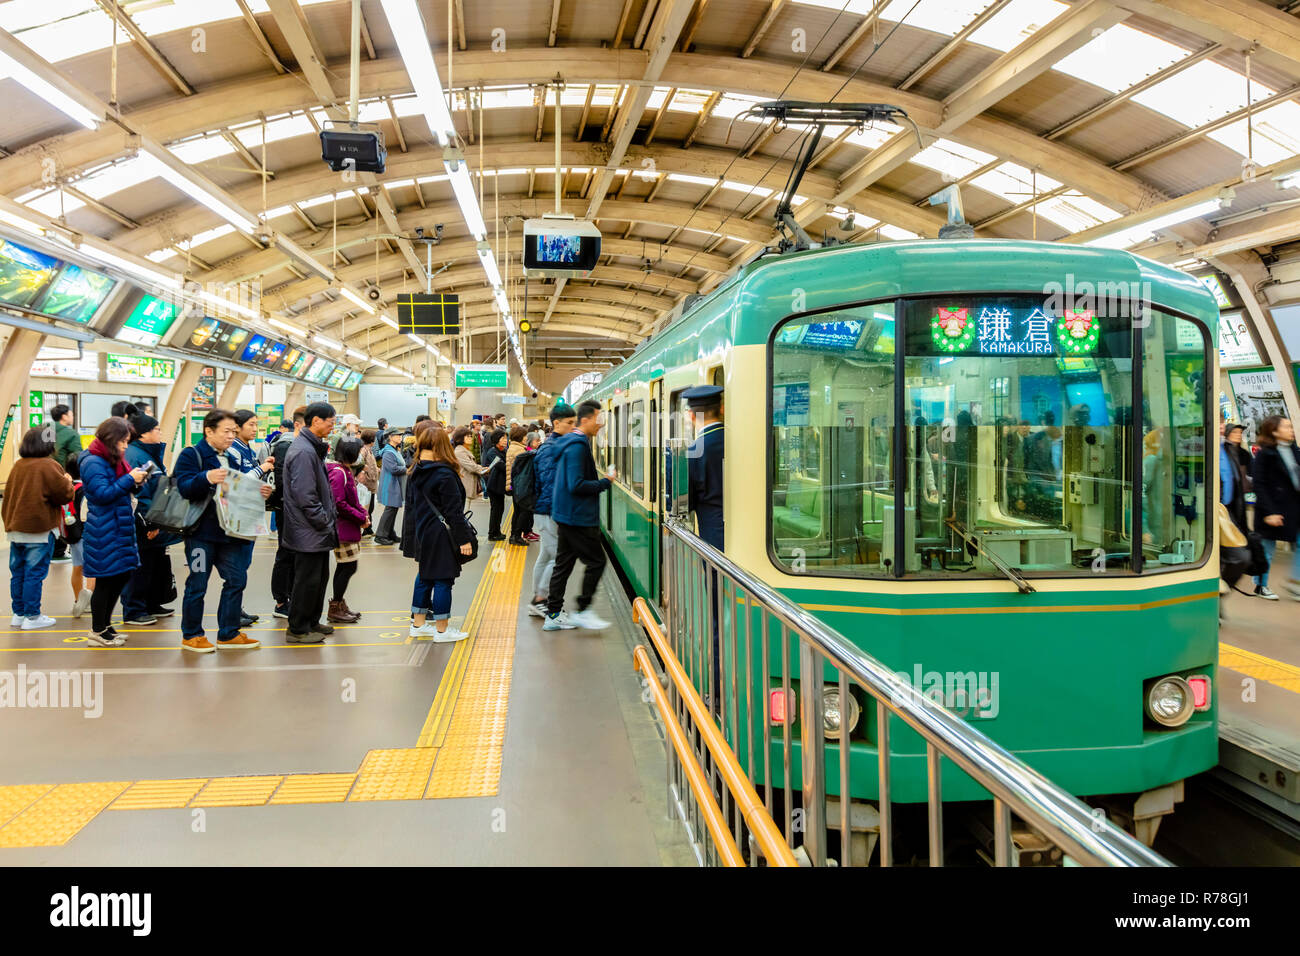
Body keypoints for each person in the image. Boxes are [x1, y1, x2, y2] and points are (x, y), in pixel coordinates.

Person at [172, 409, 267, 653]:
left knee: (237, 580)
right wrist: (206, 477)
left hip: (229, 534)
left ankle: (229, 632)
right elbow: (183, 488)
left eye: (234, 432)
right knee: (197, 584)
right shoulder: (191, 455)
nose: (231, 436)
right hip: (200, 536)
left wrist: (258, 491)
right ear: (209, 431)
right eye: (226, 431)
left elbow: (239, 487)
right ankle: (192, 634)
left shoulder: (230, 458)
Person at [78, 417, 149, 647]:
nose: (126, 446)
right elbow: (101, 494)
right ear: (111, 439)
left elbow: (119, 488)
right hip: (103, 530)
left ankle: (106, 625)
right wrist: (130, 478)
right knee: (106, 580)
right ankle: (97, 630)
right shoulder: (93, 462)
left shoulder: (111, 458)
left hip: (119, 526)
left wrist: (137, 480)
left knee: (121, 575)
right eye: (123, 441)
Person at [544, 401, 614, 631]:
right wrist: (606, 482)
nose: (600, 424)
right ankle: (583, 610)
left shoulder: (569, 443)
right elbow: (576, 484)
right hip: (577, 517)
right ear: (586, 420)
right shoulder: (577, 446)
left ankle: (553, 614)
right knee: (597, 561)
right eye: (598, 418)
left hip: (566, 514)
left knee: (563, 564)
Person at [401, 426, 474, 641]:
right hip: (442, 534)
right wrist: (464, 539)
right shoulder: (444, 474)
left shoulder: (415, 470)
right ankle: (442, 630)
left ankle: (418, 625)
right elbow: (454, 512)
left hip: (423, 531)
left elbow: (413, 506)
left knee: (425, 577)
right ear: (443, 446)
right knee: (443, 580)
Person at [2, 426, 74, 630]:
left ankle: (19, 613)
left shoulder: (18, 465)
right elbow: (63, 495)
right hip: (39, 530)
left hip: (15, 529)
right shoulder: (48, 466)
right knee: (34, 573)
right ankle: (32, 617)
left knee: (19, 573)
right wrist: (68, 482)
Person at [283, 402, 340, 642]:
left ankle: (312, 622)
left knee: (318, 580)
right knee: (306, 581)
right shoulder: (304, 452)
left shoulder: (311, 447)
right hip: (308, 530)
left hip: (314, 530)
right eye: (330, 421)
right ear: (315, 420)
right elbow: (305, 495)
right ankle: (297, 629)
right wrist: (324, 521)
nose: (332, 426)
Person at [120, 414, 174, 627]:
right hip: (144, 521)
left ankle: (152, 602)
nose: (160, 433)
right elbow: (140, 493)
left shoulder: (149, 454)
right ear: (144, 433)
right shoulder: (135, 456)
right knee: (140, 566)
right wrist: (150, 523)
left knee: (155, 564)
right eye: (157, 429)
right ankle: (134, 609)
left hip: (157, 517)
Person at [527, 404, 576, 617]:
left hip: (546, 510)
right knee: (559, 558)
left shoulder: (552, 446)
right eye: (570, 423)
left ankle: (537, 599)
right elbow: (551, 484)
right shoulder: (551, 449)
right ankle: (541, 600)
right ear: (557, 423)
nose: (574, 427)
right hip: (550, 511)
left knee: (546, 555)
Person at [1250, 415, 1300, 600]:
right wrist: (1270, 511)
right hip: (1272, 508)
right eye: (1286, 427)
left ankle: (1295, 583)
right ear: (1274, 431)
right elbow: (1259, 484)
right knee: (1267, 549)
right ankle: (1260, 585)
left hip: (1294, 508)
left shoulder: (1295, 451)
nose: (1291, 430)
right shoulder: (1265, 454)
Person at [266, 406, 305, 618]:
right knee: (285, 552)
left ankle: (291, 596)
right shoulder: (285, 444)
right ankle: (281, 601)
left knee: (295, 554)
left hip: (297, 510)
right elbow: (282, 480)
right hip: (287, 508)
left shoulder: (302, 444)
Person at [326, 437, 368, 623]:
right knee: (347, 566)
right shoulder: (339, 473)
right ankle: (335, 606)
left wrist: (363, 515)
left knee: (349, 566)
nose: (360, 455)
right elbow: (339, 502)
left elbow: (351, 500)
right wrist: (360, 517)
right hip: (343, 527)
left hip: (348, 525)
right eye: (358, 452)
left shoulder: (344, 470)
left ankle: (339, 603)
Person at [683, 385, 725, 551]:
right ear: (721, 409)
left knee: (716, 577)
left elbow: (687, 501)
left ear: (691, 416)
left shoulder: (693, 451)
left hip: (714, 535)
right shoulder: (741, 442)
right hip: (753, 532)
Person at [62, 455, 93, 618]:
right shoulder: (85, 488)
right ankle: (88, 602)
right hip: (86, 533)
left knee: (77, 567)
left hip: (72, 533)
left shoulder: (67, 487)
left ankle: (77, 599)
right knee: (92, 570)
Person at [375, 429, 407, 545]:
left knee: (393, 509)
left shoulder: (394, 450)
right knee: (390, 509)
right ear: (390, 437)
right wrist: (407, 470)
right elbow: (393, 469)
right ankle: (380, 535)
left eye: (400, 435)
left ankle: (389, 533)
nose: (400, 437)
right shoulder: (388, 452)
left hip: (395, 484)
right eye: (397, 435)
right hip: (390, 484)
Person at [1220, 420, 1251, 535]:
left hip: (1238, 498)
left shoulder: (1243, 453)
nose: (1238, 435)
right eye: (1235, 432)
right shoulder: (1224, 450)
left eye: (1240, 433)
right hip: (1224, 502)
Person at [505, 425, 531, 546]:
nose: (526, 438)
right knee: (524, 511)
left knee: (518, 511)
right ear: (520, 437)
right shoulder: (519, 450)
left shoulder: (513, 447)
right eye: (525, 436)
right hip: (520, 485)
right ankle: (516, 536)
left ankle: (513, 536)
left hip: (514, 484)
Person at [452, 426, 490, 501]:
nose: (470, 438)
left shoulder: (464, 450)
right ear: (460, 438)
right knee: (465, 509)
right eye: (467, 436)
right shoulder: (460, 451)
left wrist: (482, 468)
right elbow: (471, 467)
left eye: (471, 436)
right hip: (464, 484)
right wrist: (482, 469)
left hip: (468, 483)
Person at [483, 429, 508, 541]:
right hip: (494, 485)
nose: (505, 440)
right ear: (496, 440)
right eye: (502, 438)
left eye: (506, 438)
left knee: (500, 509)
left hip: (500, 485)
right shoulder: (492, 452)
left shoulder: (504, 450)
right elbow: (502, 466)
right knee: (496, 510)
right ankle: (492, 533)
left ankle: (497, 531)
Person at [358, 428, 380, 533]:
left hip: (371, 483)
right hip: (366, 483)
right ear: (371, 440)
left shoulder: (369, 450)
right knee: (367, 506)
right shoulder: (364, 450)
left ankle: (369, 528)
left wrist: (375, 469)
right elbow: (359, 462)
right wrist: (364, 470)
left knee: (370, 506)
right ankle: (366, 529)